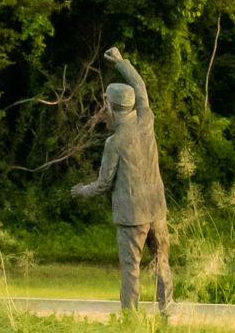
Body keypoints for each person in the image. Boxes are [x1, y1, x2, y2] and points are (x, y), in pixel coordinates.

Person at [69, 45, 173, 316]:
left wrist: (81, 191)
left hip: (132, 215)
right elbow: (140, 86)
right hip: (156, 209)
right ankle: (167, 308)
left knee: (131, 268)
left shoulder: (114, 143)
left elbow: (104, 183)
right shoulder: (146, 121)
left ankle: (130, 317)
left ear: (111, 108)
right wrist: (120, 61)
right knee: (162, 259)